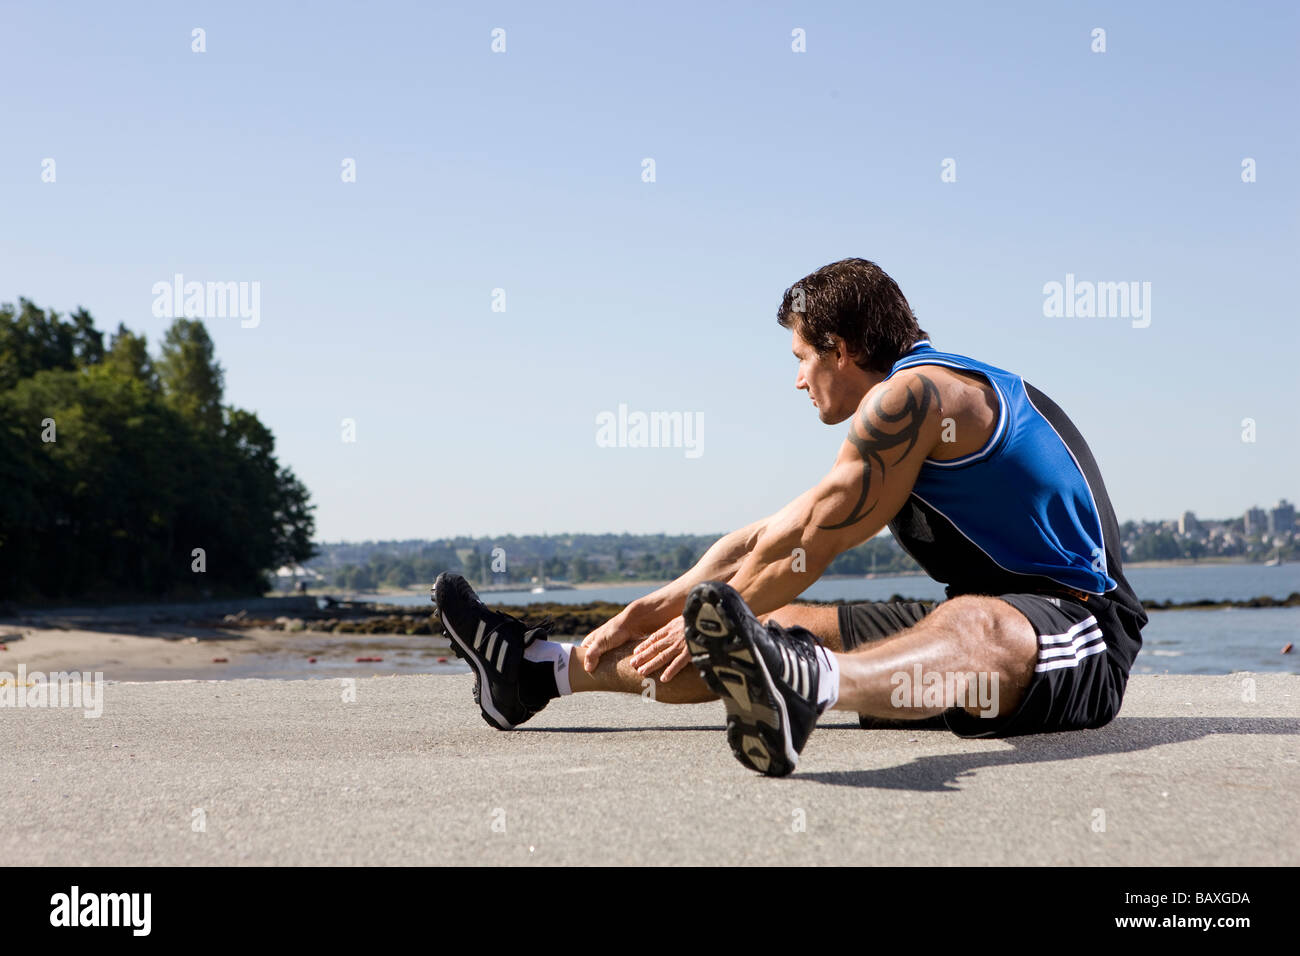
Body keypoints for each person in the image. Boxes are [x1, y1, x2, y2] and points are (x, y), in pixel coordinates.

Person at [432, 258, 1147, 776]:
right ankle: (536, 672)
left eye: (803, 357)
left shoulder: (917, 398)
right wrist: (651, 611)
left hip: (1081, 628)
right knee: (774, 632)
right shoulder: (901, 403)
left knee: (971, 624)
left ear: (842, 349)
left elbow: (812, 540)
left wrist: (715, 608)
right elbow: (766, 536)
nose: (797, 377)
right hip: (983, 617)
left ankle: (810, 686)